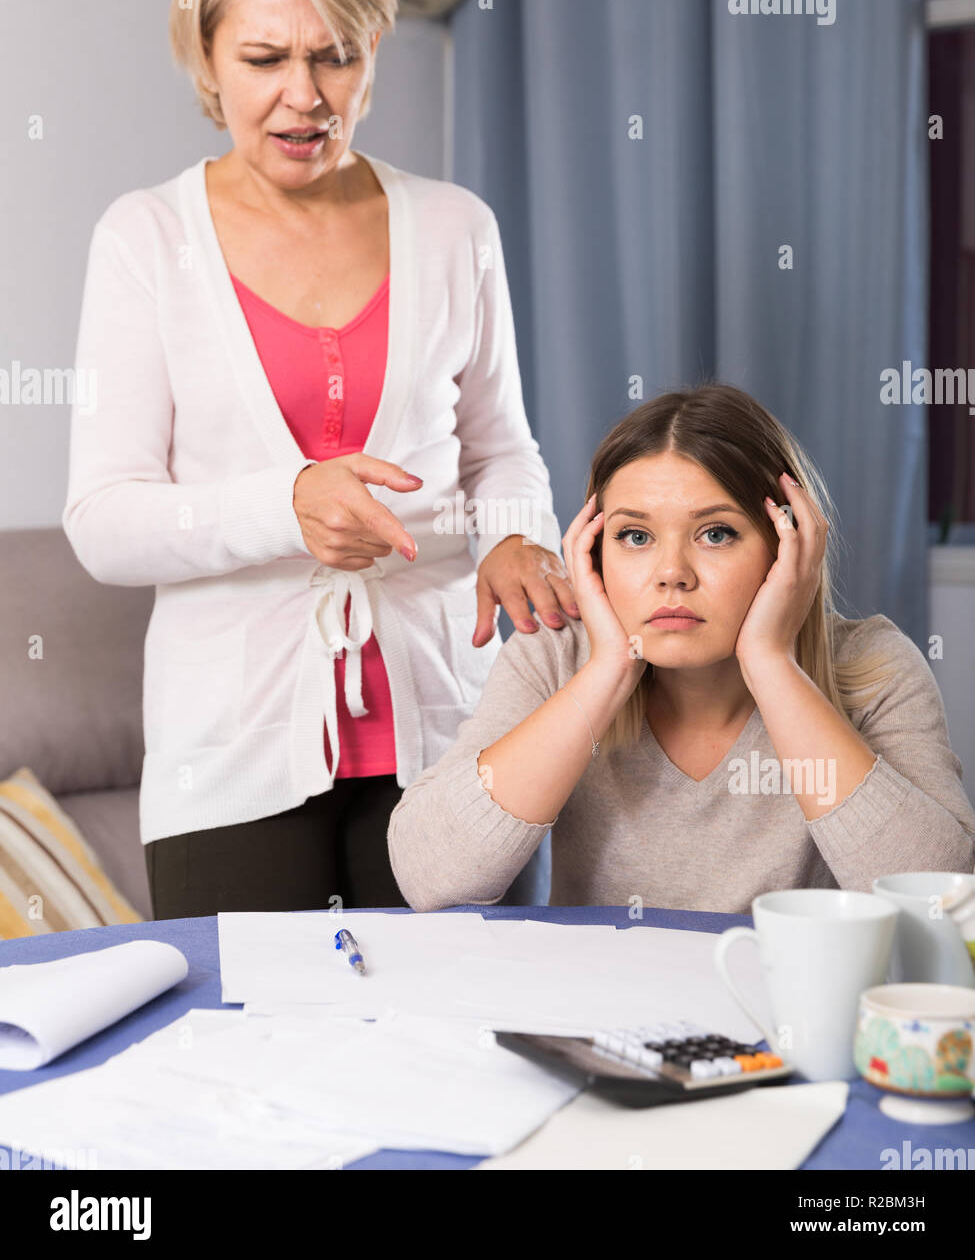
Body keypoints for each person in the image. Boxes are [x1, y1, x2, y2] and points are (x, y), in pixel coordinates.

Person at [62, 0, 577, 919]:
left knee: (462, 1056)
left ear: (374, 48)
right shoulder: (145, 239)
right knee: (253, 1059)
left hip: (447, 737)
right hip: (230, 757)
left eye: (334, 55)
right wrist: (285, 504)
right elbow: (104, 520)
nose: (304, 96)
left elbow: (501, 451)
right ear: (206, 59)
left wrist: (520, 537)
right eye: (263, 59)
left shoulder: (454, 228)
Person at [388, 382, 975, 912]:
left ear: (788, 545)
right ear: (592, 554)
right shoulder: (557, 658)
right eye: (635, 536)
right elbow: (432, 877)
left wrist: (772, 665)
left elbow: (941, 897)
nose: (672, 573)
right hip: (603, 1018)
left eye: (716, 533)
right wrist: (609, 670)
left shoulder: (871, 666)